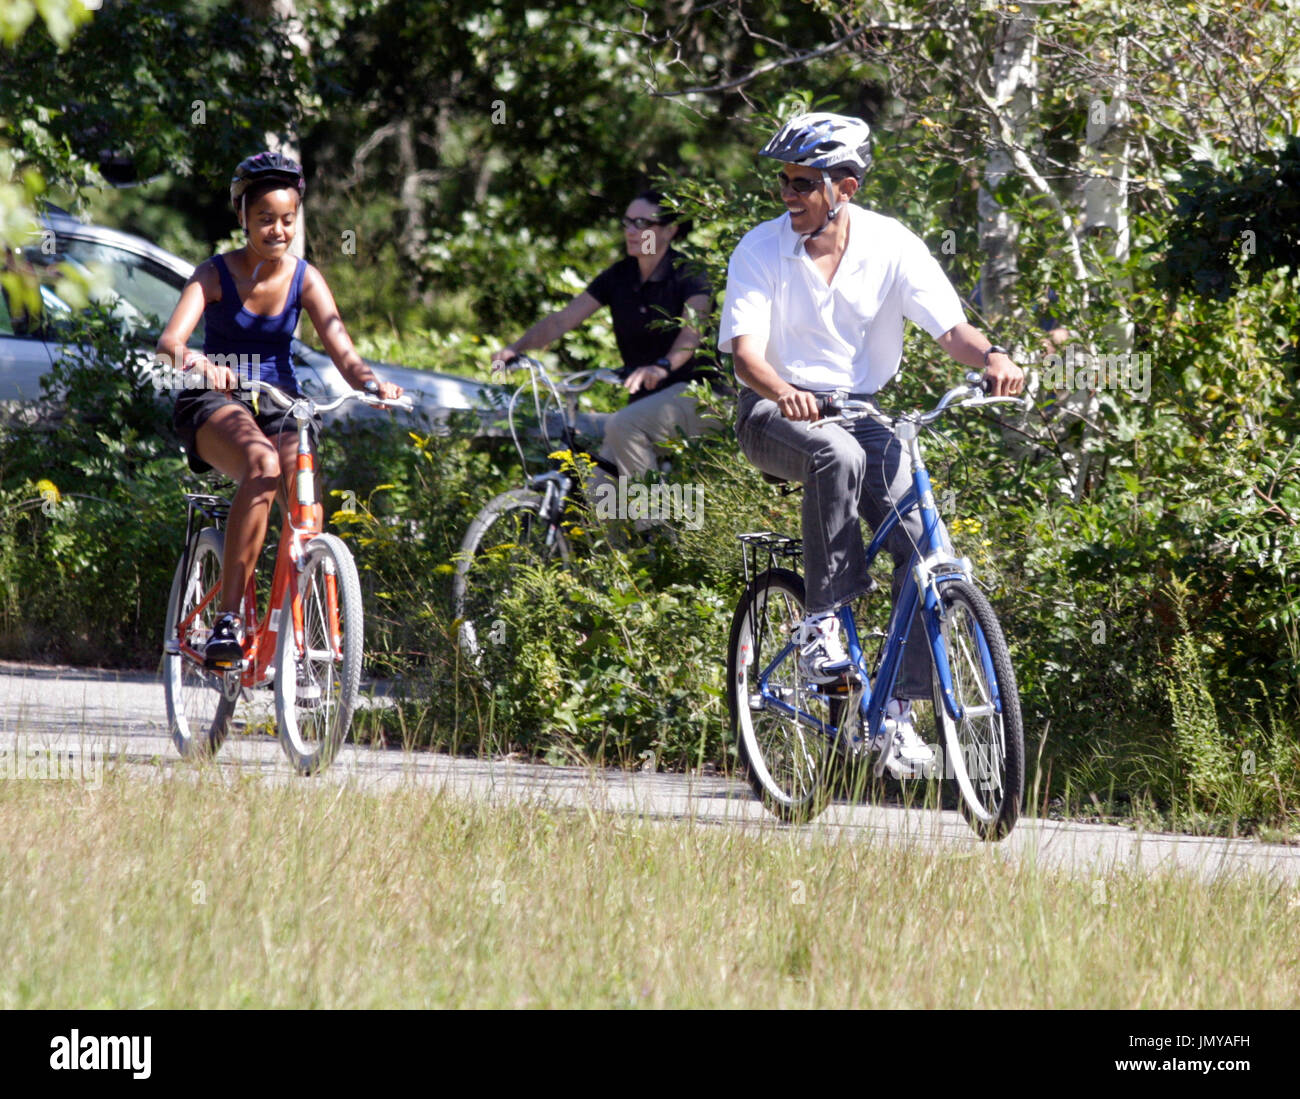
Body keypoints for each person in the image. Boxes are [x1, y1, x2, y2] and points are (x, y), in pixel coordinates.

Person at [717, 113, 1024, 777]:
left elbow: (952, 331)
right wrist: (785, 389)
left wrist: (992, 357)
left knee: (927, 552)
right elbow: (745, 356)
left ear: (845, 187)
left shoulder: (891, 245)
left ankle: (893, 715)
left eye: (803, 182)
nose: (789, 195)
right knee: (839, 454)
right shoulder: (760, 250)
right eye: (784, 181)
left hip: (862, 412)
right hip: (774, 412)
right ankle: (820, 623)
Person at [156, 151, 403, 666]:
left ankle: (289, 616)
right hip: (215, 399)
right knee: (262, 465)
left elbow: (345, 353)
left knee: (301, 476)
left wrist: (373, 383)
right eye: (265, 219)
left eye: (288, 219)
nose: (277, 230)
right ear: (243, 217)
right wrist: (201, 362)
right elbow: (170, 343)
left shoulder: (305, 278)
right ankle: (227, 620)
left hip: (280, 403)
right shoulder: (215, 273)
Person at [491, 191, 722, 518]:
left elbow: (692, 332)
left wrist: (662, 366)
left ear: (670, 230)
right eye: (628, 222)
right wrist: (515, 349)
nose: (630, 231)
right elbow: (563, 319)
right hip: (645, 402)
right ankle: (618, 560)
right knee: (601, 490)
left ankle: (655, 529)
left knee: (622, 426)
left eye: (642, 223)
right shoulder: (620, 276)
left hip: (700, 395)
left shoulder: (689, 273)